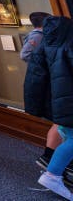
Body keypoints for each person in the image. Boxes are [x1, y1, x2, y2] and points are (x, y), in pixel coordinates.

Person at [25, 15, 73, 198]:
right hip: (67, 99)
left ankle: (52, 164)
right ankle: (52, 174)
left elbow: (35, 76)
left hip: (56, 99)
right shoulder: (68, 46)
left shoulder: (46, 46)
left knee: (65, 131)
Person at [20, 12, 64, 171]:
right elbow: (25, 54)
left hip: (48, 80)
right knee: (61, 123)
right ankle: (50, 159)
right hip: (46, 81)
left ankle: (53, 158)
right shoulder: (38, 36)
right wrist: (41, 65)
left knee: (61, 123)